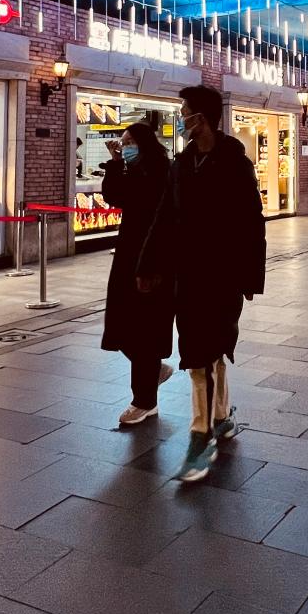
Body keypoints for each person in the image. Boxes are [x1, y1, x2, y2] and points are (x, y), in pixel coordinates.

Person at [138, 85, 265, 483]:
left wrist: (250, 277)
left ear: (202, 118)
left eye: (185, 112)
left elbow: (251, 224)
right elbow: (164, 217)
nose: (181, 117)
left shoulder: (234, 164)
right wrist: (149, 264)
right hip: (187, 274)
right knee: (206, 350)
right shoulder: (182, 164)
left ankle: (201, 434)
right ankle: (222, 416)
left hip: (223, 275)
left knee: (201, 352)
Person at [98, 123, 175, 426]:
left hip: (153, 259)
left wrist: (153, 264)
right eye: (123, 140)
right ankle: (153, 375)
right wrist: (116, 164)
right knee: (121, 323)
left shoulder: (159, 171)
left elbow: (162, 217)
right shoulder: (135, 168)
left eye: (130, 142)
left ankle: (144, 401)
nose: (124, 145)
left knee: (145, 329)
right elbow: (114, 197)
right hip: (130, 256)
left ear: (144, 143)